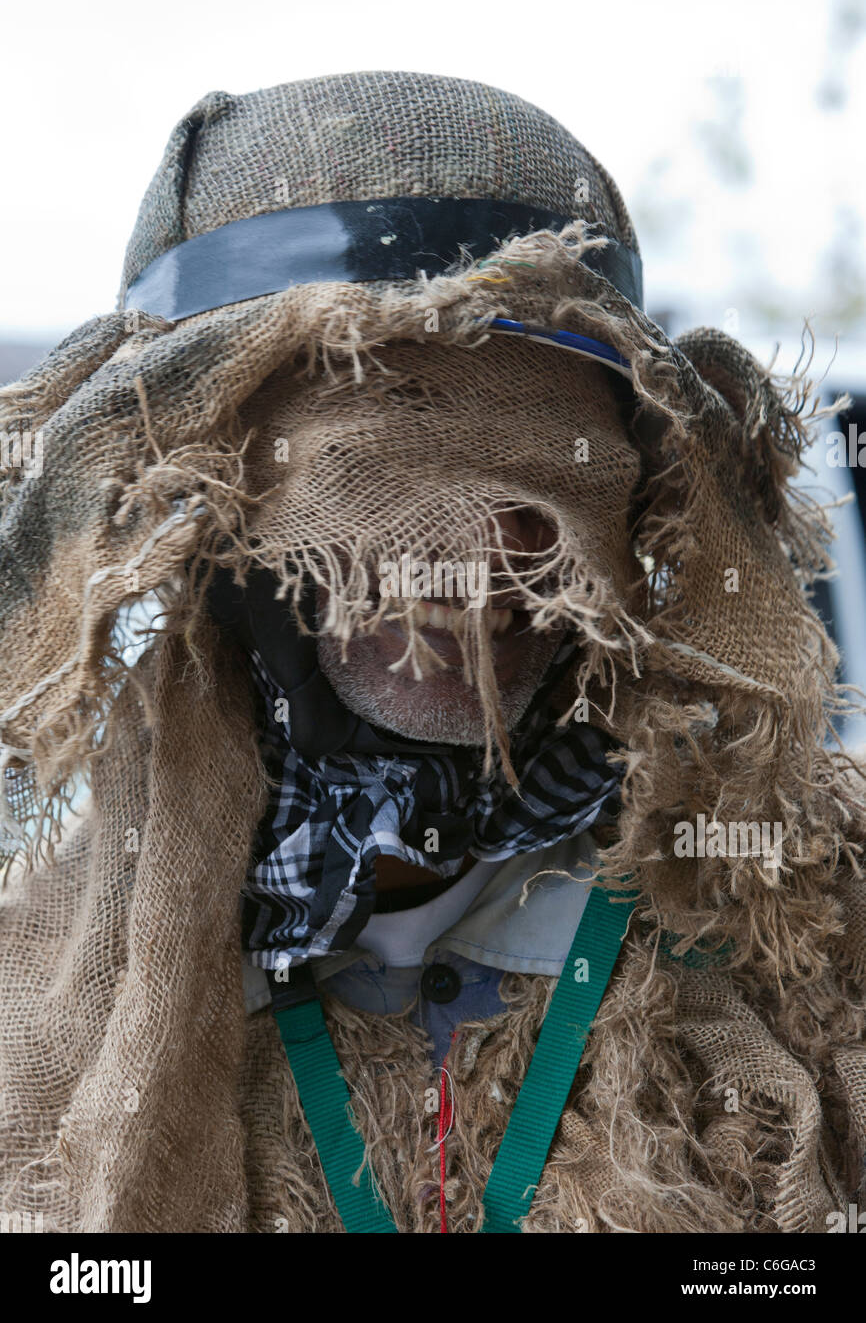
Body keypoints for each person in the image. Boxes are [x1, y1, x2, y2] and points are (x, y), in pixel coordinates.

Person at [0, 70, 864, 1235]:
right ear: (209, 502)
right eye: (382, 444)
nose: (488, 542)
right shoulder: (43, 987)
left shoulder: (802, 909)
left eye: (542, 451)